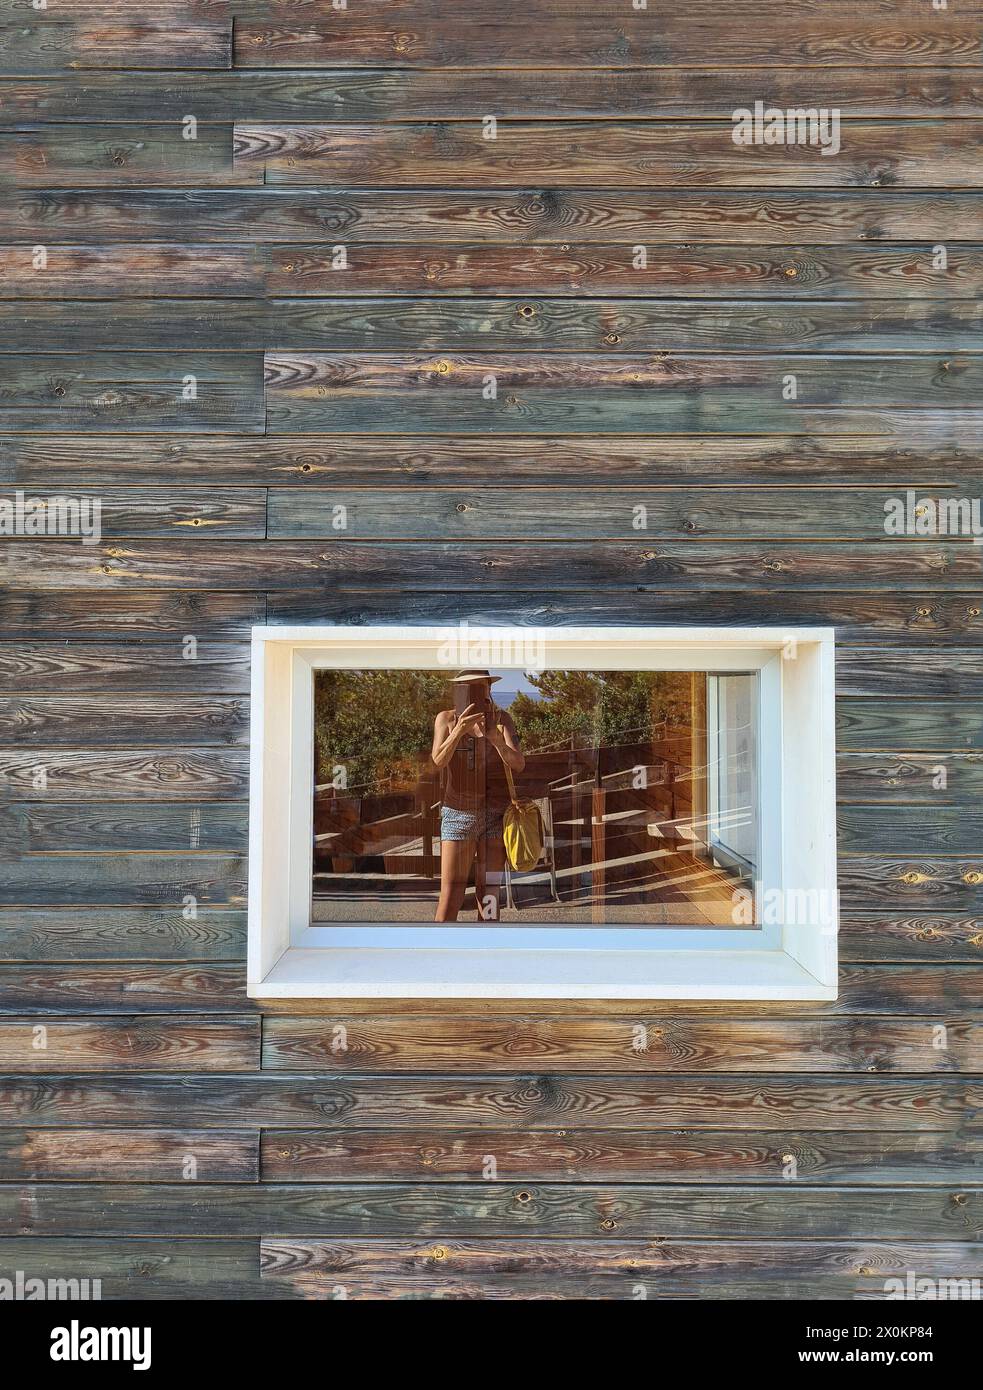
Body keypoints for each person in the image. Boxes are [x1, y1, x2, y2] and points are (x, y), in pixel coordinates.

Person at [430, 670, 525, 921]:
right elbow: (438, 761)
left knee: (490, 895)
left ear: (488, 690)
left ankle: (488, 953)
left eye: (480, 688)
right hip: (457, 814)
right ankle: (439, 954)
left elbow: (518, 764)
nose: (474, 693)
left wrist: (496, 739)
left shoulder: (502, 719)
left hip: (496, 814)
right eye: (467, 688)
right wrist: (458, 731)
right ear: (457, 691)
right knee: (451, 895)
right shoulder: (446, 719)